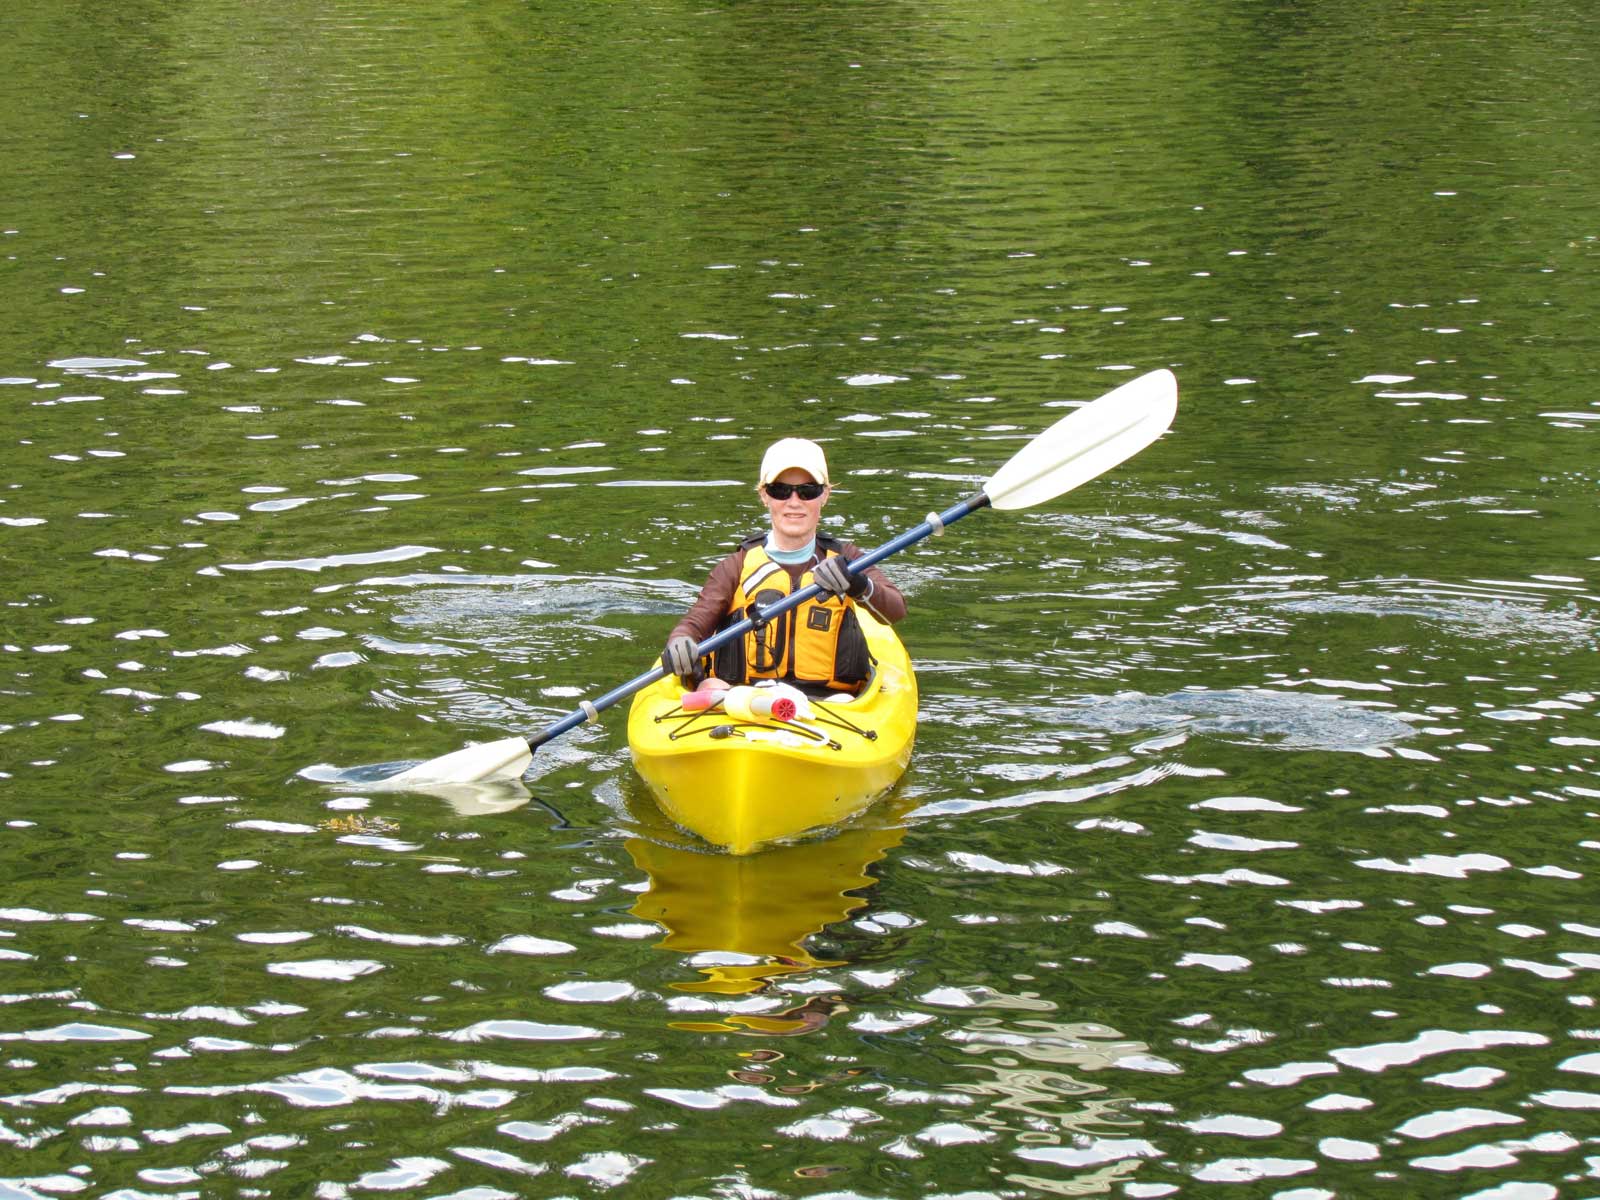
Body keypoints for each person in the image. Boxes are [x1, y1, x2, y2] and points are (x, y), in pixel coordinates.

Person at [661, 437, 907, 696]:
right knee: (710, 685)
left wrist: (856, 583)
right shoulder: (736, 566)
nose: (794, 501)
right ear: (764, 495)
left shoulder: (847, 558)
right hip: (746, 700)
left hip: (834, 703)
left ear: (825, 495)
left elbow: (895, 610)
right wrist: (680, 639)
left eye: (808, 491)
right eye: (780, 490)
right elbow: (696, 622)